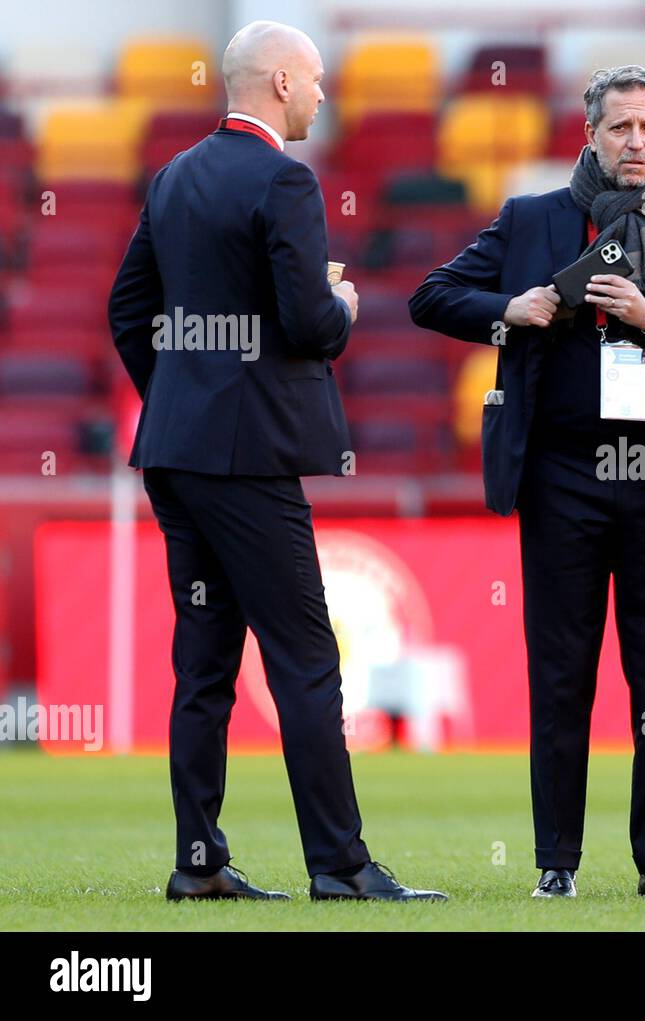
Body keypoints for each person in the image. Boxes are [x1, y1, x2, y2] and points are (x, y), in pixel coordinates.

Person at [108, 20, 445, 902]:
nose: (326, 95)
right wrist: (342, 300)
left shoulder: (174, 176)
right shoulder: (286, 181)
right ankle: (340, 865)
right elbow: (306, 325)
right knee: (304, 657)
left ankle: (199, 862)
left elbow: (126, 306)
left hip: (177, 454)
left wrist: (182, 393)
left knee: (205, 661)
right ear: (284, 84)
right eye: (318, 79)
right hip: (249, 458)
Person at [410, 65, 645, 899]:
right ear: (590, 135)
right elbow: (431, 296)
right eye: (619, 129)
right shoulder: (531, 220)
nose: (635, 143)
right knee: (561, 675)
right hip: (560, 476)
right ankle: (554, 864)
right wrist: (512, 308)